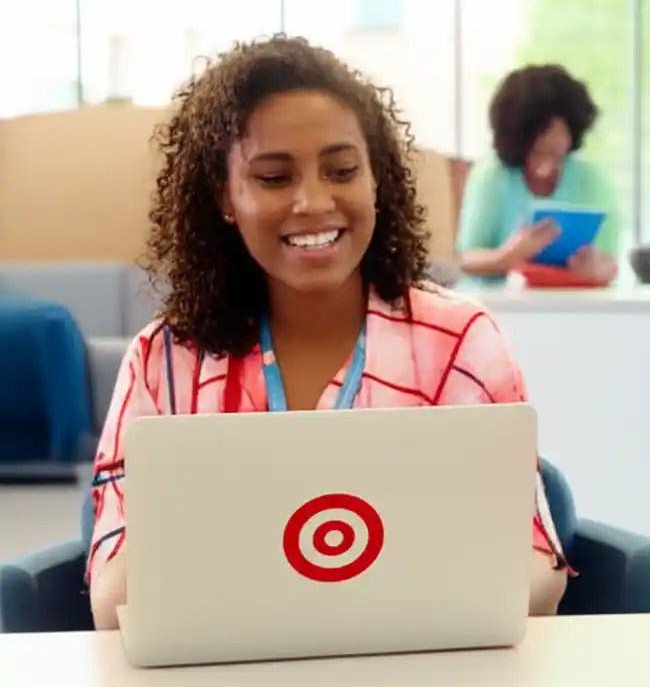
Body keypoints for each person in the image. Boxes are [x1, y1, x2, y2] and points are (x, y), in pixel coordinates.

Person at [87, 36, 569, 629]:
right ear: (225, 198)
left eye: (342, 170)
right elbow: (112, 604)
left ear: (376, 181)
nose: (314, 201)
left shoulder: (460, 341)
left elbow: (537, 572)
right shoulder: (164, 361)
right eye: (272, 177)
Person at [457, 64, 619, 287]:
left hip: (573, 307)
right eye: (536, 154)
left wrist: (596, 269)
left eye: (556, 155)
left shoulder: (592, 179)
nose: (545, 168)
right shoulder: (491, 175)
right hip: (500, 307)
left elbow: (610, 262)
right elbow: (465, 259)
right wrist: (505, 258)